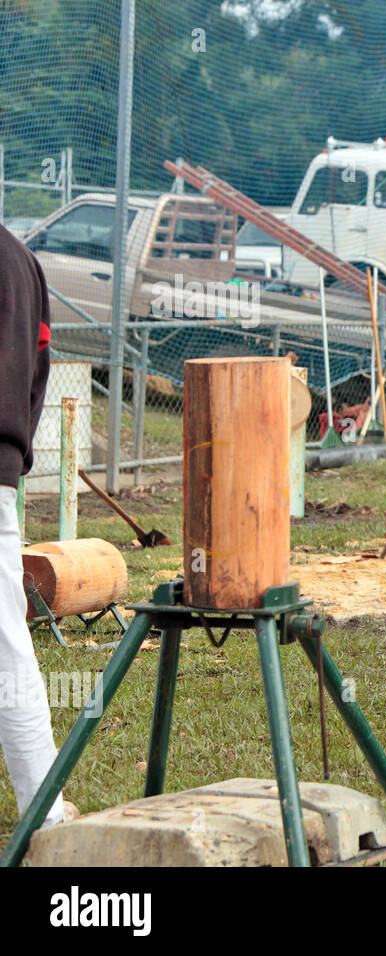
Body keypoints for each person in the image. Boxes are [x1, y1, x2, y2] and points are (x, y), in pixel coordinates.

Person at [0, 223, 66, 829]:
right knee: (6, 639)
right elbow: (39, 375)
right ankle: (42, 804)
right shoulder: (23, 260)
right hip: (0, 475)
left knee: (6, 645)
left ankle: (42, 810)